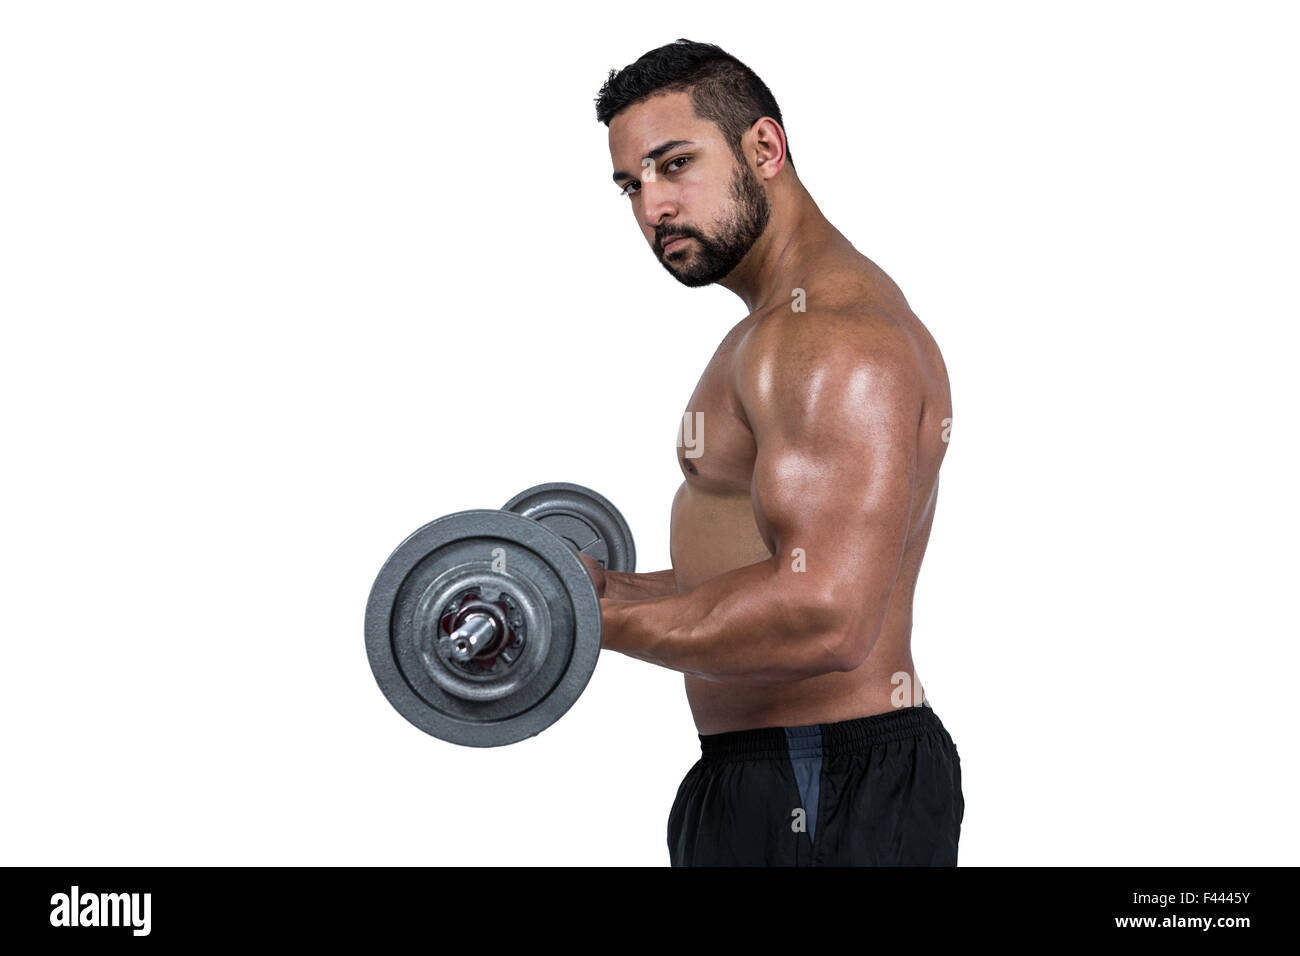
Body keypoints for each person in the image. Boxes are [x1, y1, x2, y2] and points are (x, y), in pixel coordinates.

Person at [588, 39, 964, 866]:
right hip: (775, 777)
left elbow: (824, 612)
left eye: (674, 163)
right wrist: (605, 588)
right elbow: (769, 573)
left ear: (765, 147)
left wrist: (586, 619)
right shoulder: (762, 333)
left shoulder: (828, 336)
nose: (653, 207)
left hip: (826, 782)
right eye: (631, 184)